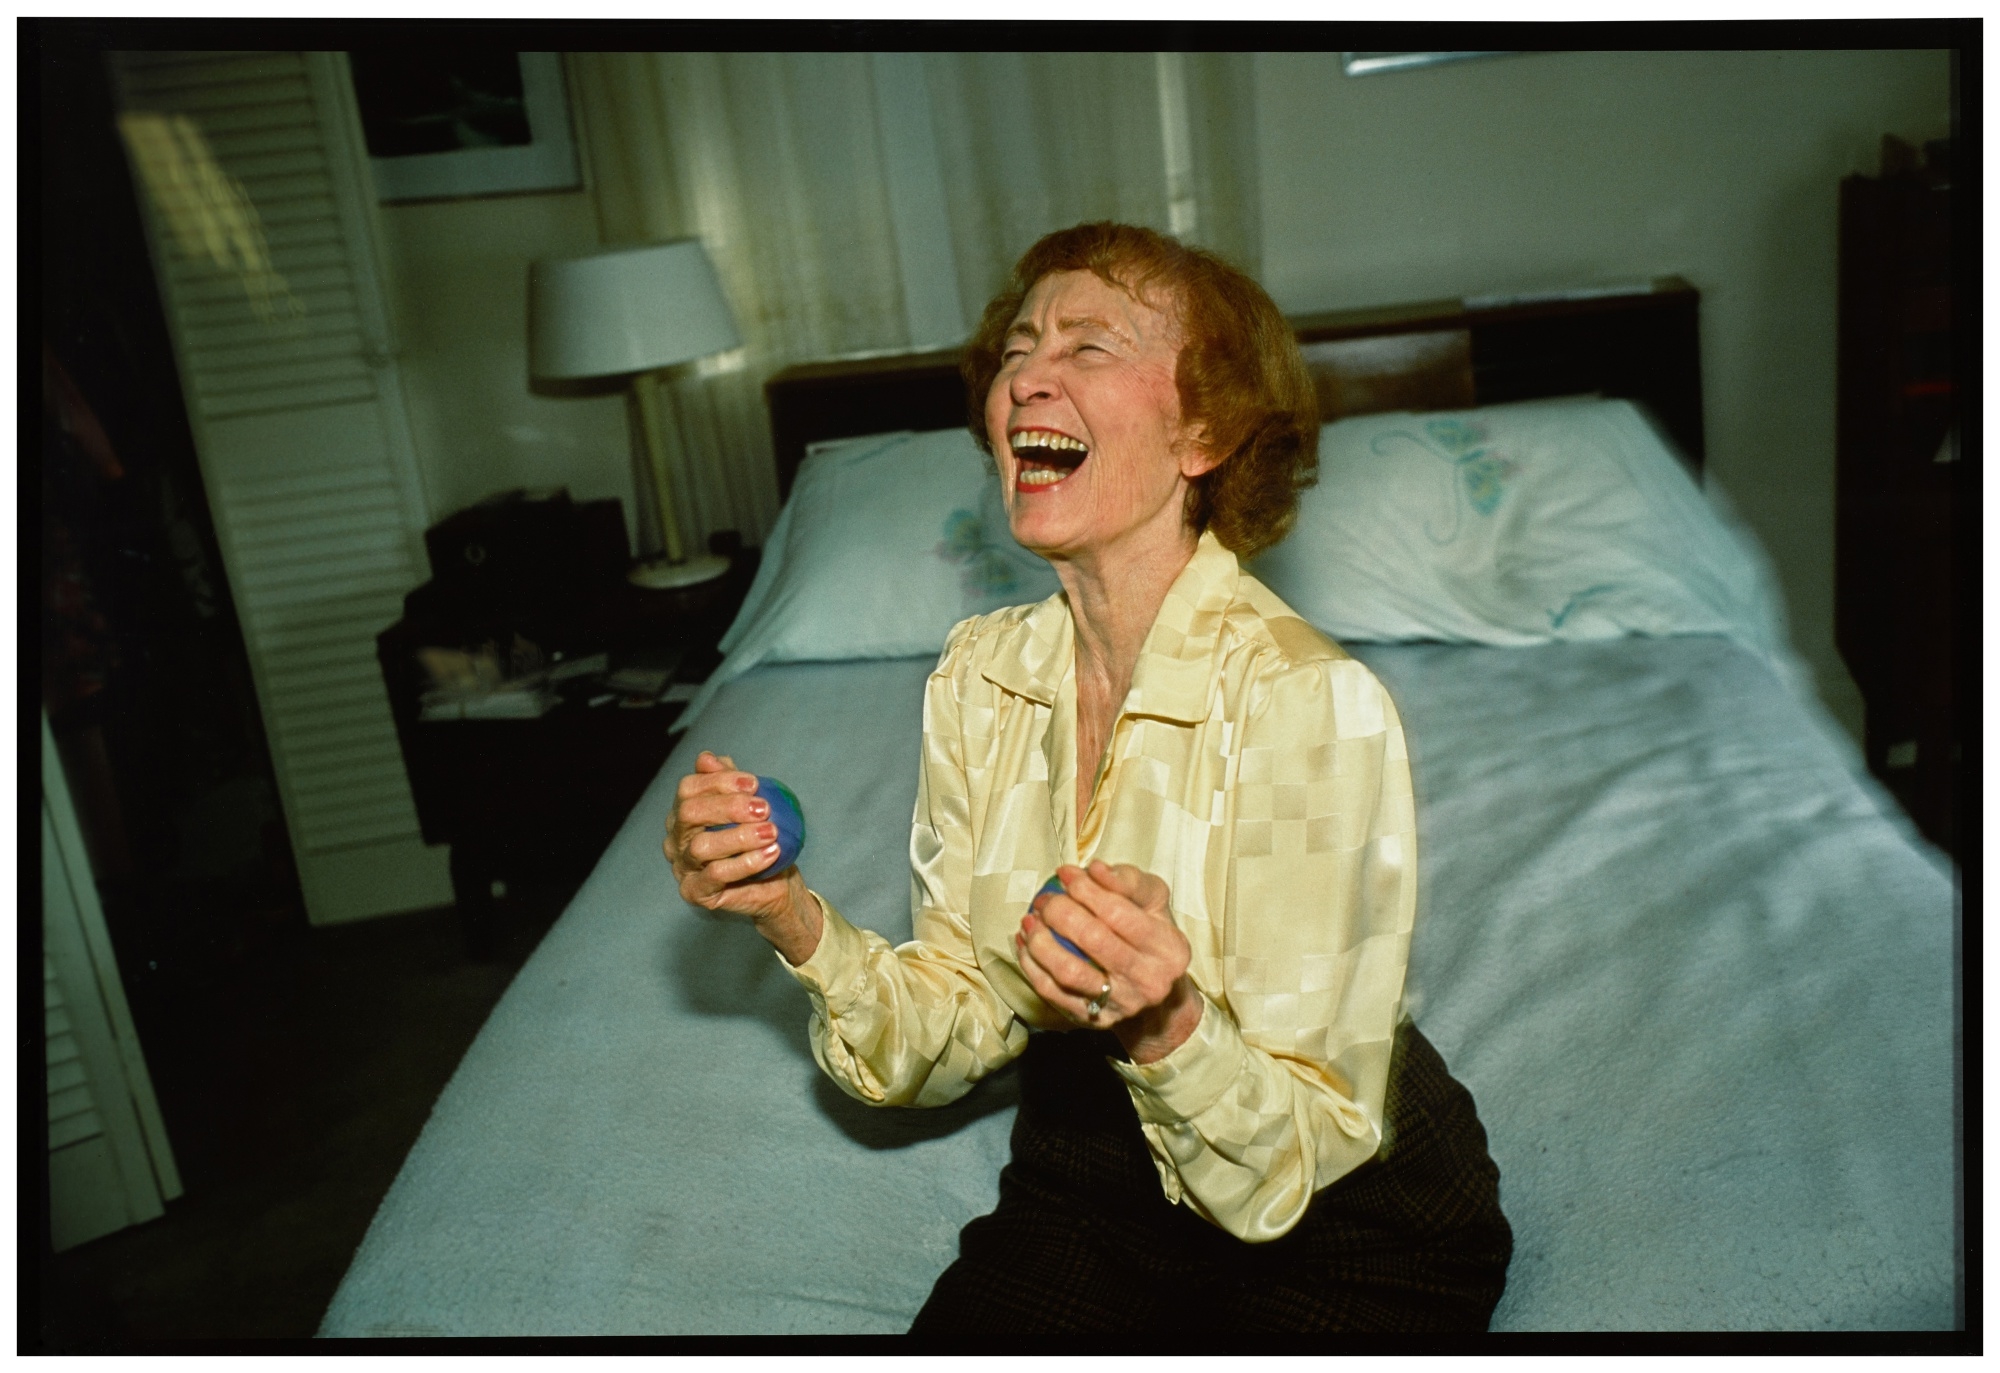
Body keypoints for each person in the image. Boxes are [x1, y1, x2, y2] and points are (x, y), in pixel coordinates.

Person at [666, 222, 1512, 1335]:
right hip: (1086, 1170)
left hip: (1341, 1222)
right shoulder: (979, 675)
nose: (1028, 378)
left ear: (1203, 430)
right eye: (1017, 351)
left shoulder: (1310, 700)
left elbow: (1288, 1157)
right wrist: (787, 910)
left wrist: (1164, 1022)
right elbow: (961, 1018)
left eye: (1088, 346)